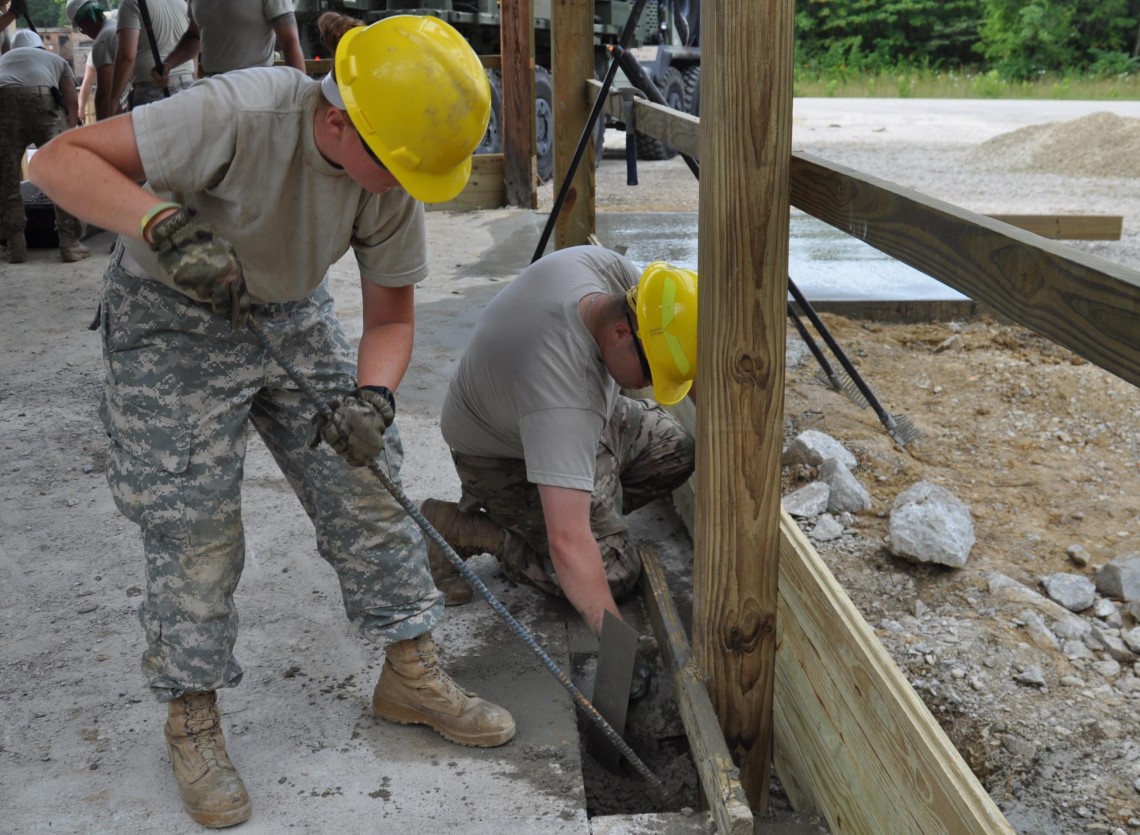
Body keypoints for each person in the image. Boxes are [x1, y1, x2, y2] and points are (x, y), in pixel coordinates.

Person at [29, 12, 503, 829]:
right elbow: (56, 159)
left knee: (371, 476)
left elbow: (391, 320)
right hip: (169, 312)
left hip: (287, 312)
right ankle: (193, 716)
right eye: (393, 168)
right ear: (335, 122)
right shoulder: (239, 112)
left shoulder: (389, 165)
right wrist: (160, 223)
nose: (398, 186)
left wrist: (374, 398)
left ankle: (410, 673)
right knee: (196, 528)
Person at [423, 246, 697, 686]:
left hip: (555, 417)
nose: (650, 384)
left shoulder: (614, 277)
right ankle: (466, 528)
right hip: (500, 457)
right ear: (624, 333)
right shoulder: (564, 391)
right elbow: (568, 542)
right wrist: (619, 649)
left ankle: (590, 508)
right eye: (651, 371)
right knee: (614, 573)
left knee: (675, 449)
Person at [0, 27, 90, 263]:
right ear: (39, 45)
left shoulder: (4, 59)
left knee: (7, 181)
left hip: (4, 101)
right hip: (42, 101)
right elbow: (71, 99)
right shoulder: (55, 59)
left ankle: (15, 247)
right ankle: (69, 245)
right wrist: (67, 137)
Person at [156, 0, 306, 80]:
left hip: (257, 86)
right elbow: (194, 37)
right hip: (214, 86)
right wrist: (169, 63)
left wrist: (301, 93)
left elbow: (290, 41)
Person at [109, 0, 193, 114]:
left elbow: (126, 56)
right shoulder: (182, 3)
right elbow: (193, 46)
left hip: (153, 91)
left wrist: (114, 99)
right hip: (188, 87)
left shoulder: (131, 3)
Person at [67, 0, 124, 120]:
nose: (86, 34)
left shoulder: (102, 39)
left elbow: (104, 94)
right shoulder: (116, 26)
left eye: (82, 30)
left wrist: (101, 129)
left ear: (84, 22)